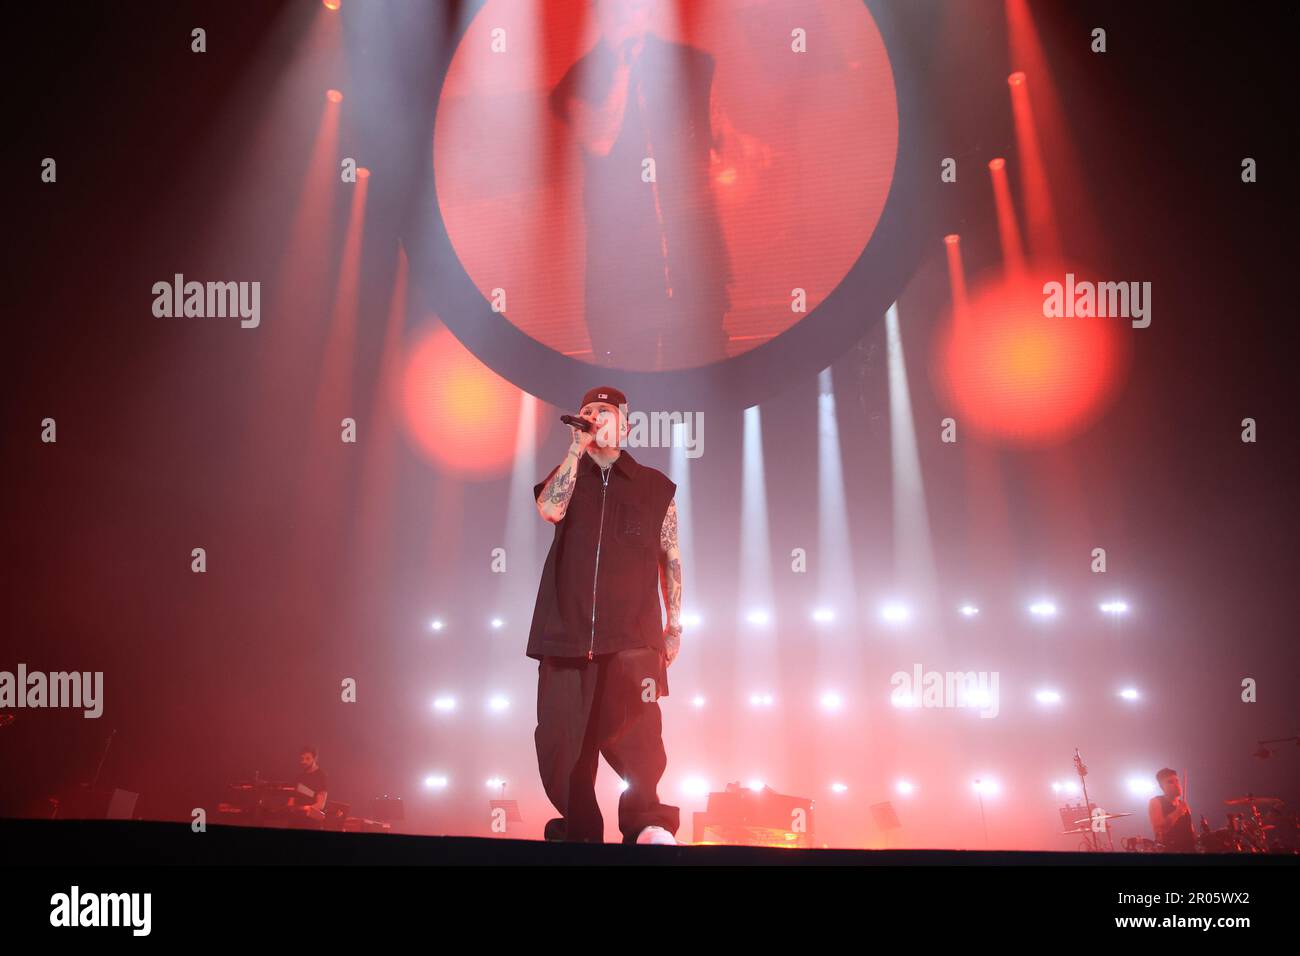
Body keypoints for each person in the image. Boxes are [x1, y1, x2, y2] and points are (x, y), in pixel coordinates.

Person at [529, 385, 683, 844]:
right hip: (565, 636)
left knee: (639, 735)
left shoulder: (653, 486)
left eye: (604, 412)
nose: (594, 417)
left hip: (634, 638)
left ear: (626, 425)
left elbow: (670, 557)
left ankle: (647, 823)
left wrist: (674, 625)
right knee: (562, 743)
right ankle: (579, 832)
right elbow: (549, 510)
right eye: (587, 412)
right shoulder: (566, 479)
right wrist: (575, 450)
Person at [549, 0, 735, 368]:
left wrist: (739, 152)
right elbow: (600, 139)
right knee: (629, 374)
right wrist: (621, 65)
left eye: (638, 6)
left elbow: (721, 142)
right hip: (623, 269)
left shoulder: (694, 64)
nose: (630, 13)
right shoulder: (579, 78)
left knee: (705, 365)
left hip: (694, 264)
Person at [1147, 767, 1195, 852]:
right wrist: (1177, 812)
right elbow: (1160, 830)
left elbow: (1191, 831)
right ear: (1162, 787)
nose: (1176, 784)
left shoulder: (1184, 805)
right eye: (1170, 782)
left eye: (1177, 781)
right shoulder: (1156, 802)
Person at [291, 745, 329, 823]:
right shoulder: (299, 777)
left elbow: (320, 804)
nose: (304, 761)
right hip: (295, 820)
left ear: (315, 759)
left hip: (310, 821)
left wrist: (303, 809)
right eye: (302, 759)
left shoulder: (321, 776)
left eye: (308, 759)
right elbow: (292, 800)